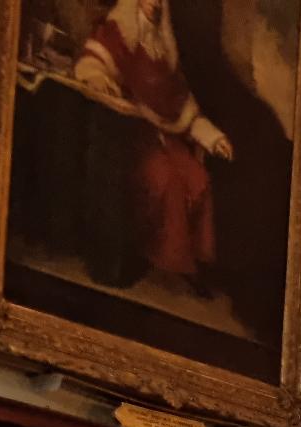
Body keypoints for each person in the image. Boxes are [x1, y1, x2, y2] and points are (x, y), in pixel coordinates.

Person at [71, 0, 232, 285]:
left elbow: (182, 106)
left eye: (160, 0)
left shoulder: (163, 55)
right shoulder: (117, 33)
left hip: (164, 137)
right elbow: (91, 63)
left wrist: (213, 138)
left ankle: (195, 266)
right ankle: (169, 260)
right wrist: (97, 78)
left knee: (199, 180)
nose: (155, 4)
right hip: (130, 134)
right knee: (166, 180)